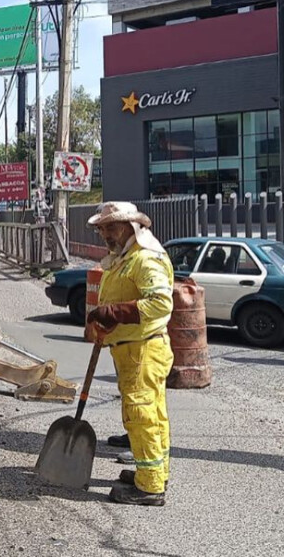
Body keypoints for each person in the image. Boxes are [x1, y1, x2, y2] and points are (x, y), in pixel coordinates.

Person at [86, 202, 174, 506]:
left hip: (143, 349)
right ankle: (152, 473)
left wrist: (114, 312)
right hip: (133, 348)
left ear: (131, 226)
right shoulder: (125, 258)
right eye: (102, 229)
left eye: (111, 227)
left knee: (141, 414)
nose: (105, 235)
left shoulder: (144, 260)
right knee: (153, 414)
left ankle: (149, 487)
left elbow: (161, 304)